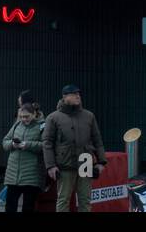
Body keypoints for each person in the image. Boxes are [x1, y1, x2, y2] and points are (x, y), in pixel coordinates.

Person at [42, 84, 107, 213]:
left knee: (85, 199)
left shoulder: (89, 116)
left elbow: (97, 140)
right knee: (63, 199)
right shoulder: (53, 117)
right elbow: (47, 143)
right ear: (65, 97)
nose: (78, 96)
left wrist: (101, 162)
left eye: (78, 93)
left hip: (85, 162)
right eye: (74, 94)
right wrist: (50, 166)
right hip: (64, 164)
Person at [2, 103, 45, 213]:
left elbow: (46, 145)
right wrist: (12, 144)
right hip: (13, 175)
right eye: (21, 116)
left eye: (26, 116)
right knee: (10, 206)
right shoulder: (17, 125)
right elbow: (4, 142)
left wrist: (27, 145)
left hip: (31, 175)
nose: (23, 119)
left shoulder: (42, 126)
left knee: (28, 207)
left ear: (34, 114)